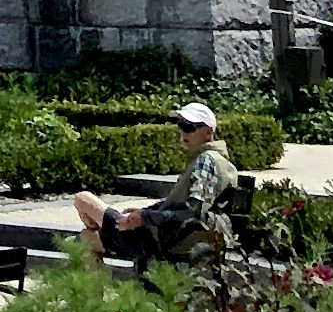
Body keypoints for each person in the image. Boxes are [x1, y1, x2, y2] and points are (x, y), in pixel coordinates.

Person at [72, 103, 237, 267]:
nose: (182, 132)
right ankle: (105, 234)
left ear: (208, 133)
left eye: (189, 128)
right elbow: (184, 205)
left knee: (83, 199)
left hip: (161, 240)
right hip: (170, 237)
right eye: (181, 126)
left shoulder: (206, 160)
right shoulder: (217, 161)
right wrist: (147, 212)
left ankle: (105, 239)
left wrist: (144, 217)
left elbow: (194, 212)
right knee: (88, 236)